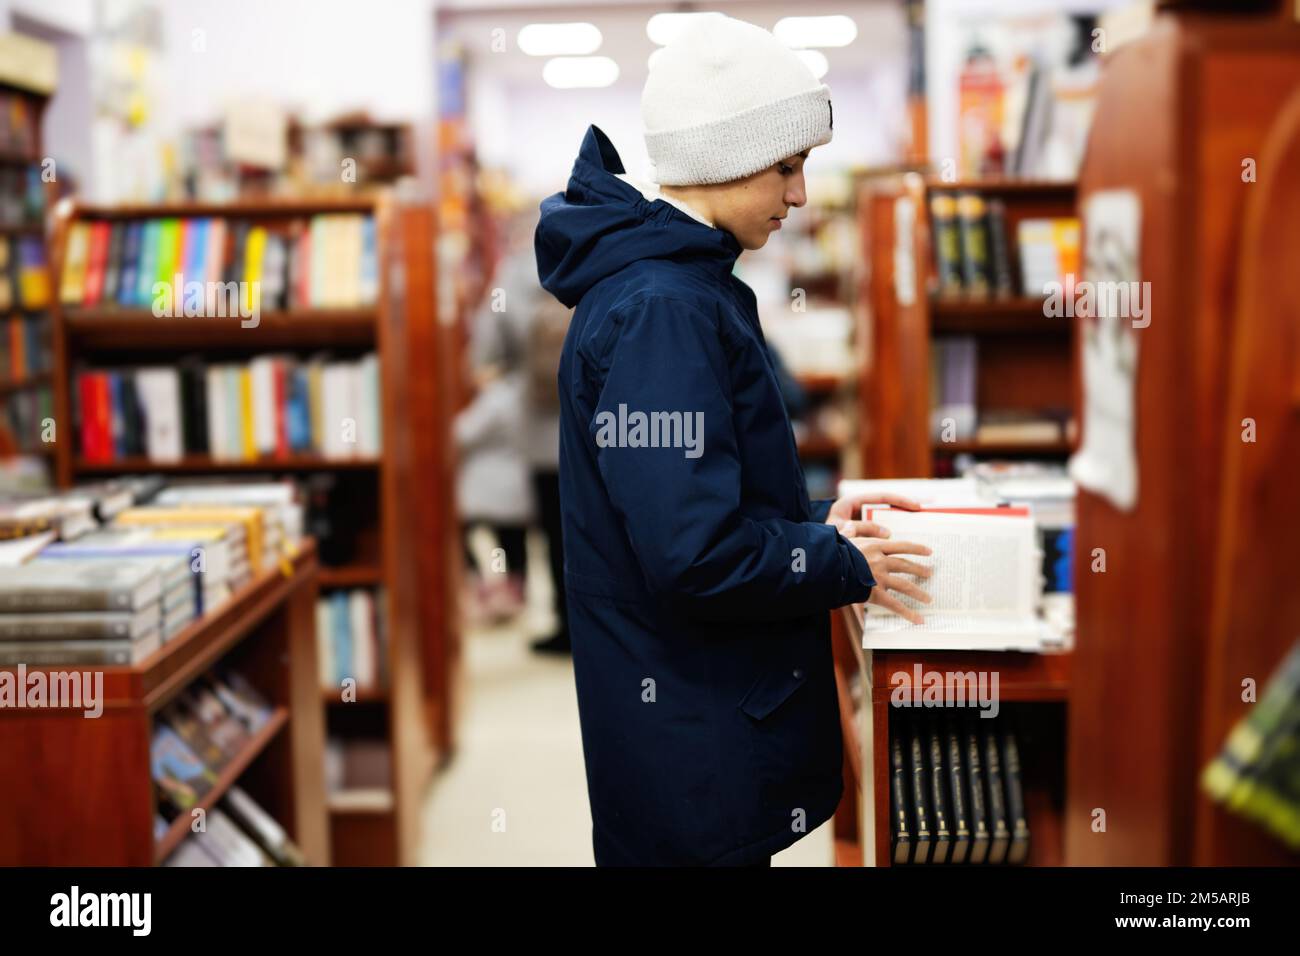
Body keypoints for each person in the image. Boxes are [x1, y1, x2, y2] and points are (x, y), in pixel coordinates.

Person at [534, 14, 933, 867]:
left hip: (689, 724)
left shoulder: (677, 289)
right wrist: (841, 564)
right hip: (692, 740)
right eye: (787, 167)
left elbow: (703, 498)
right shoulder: (663, 312)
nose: (798, 195)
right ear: (725, 158)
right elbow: (693, 553)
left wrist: (821, 519)